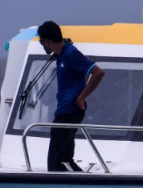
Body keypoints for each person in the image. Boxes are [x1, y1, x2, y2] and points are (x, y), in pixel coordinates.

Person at [37, 21, 104, 172]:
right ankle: (82, 180)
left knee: (55, 163)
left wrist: (81, 97)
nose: (42, 46)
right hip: (64, 111)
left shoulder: (70, 54)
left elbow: (98, 73)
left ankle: (61, 183)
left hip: (70, 112)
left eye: (41, 42)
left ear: (47, 41)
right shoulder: (61, 55)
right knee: (65, 160)